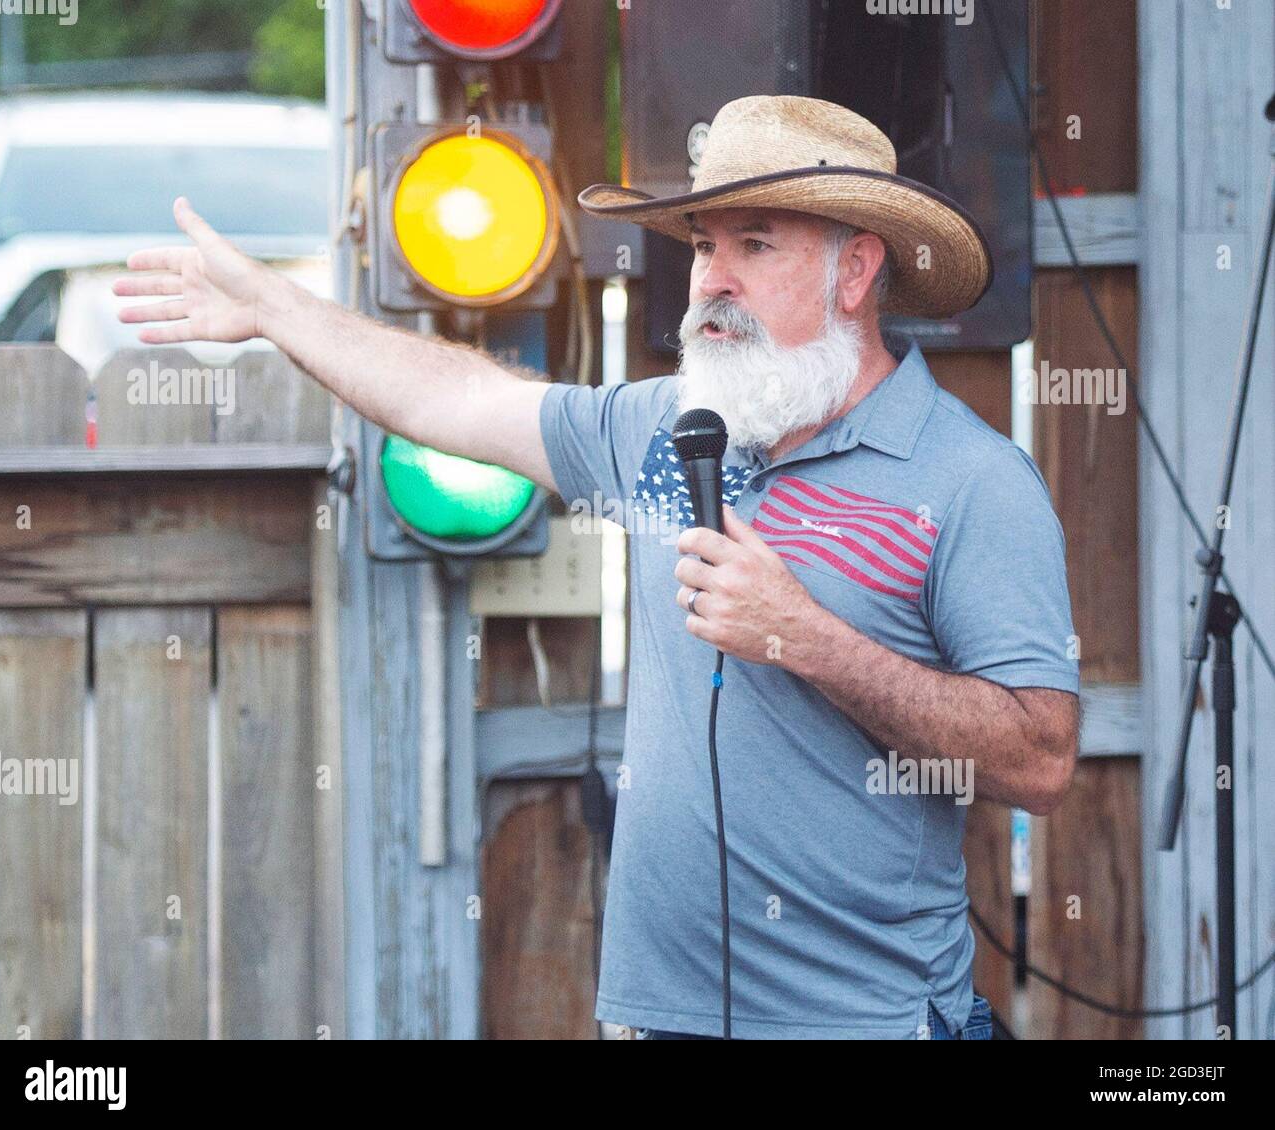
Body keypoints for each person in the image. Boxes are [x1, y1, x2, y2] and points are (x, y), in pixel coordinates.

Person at [115, 94, 1078, 1040]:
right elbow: (458, 399)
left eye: (756, 243)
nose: (712, 280)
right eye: (704, 245)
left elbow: (1039, 759)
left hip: (869, 1026)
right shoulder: (671, 435)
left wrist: (804, 636)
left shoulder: (968, 481)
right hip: (661, 1023)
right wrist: (278, 310)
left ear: (856, 268)